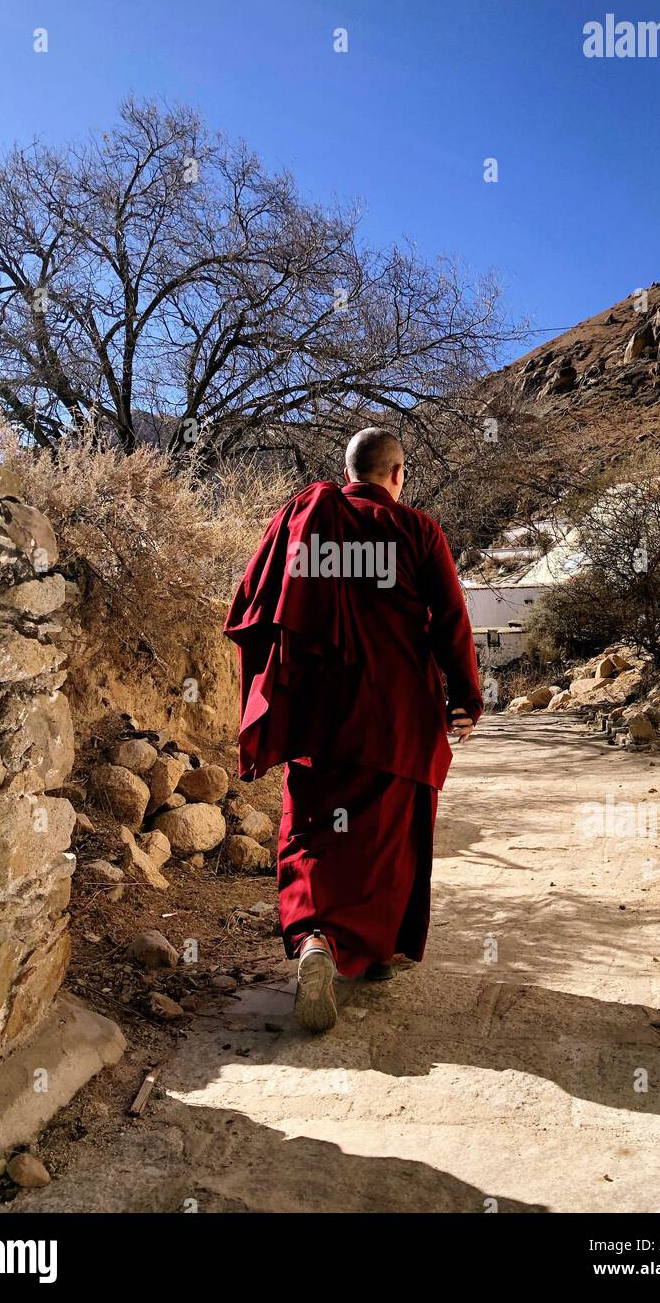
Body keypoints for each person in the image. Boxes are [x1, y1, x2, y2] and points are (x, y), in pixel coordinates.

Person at [224, 428, 482, 1031]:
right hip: (397, 718)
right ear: (397, 475)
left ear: (351, 471)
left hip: (319, 714)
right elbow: (451, 621)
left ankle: (316, 940)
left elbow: (259, 609)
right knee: (388, 842)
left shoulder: (304, 521)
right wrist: (466, 697)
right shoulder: (418, 531)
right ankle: (379, 950)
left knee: (317, 830)